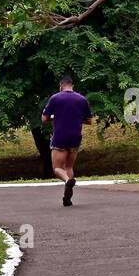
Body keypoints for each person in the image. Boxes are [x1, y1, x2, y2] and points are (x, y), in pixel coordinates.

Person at [41, 76, 93, 206]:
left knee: (57, 168)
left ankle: (67, 180)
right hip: (75, 136)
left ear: (61, 85)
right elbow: (89, 120)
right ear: (72, 85)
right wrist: (74, 117)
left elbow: (44, 118)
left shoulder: (56, 98)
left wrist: (55, 117)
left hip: (60, 136)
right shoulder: (82, 99)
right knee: (69, 166)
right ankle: (67, 198)